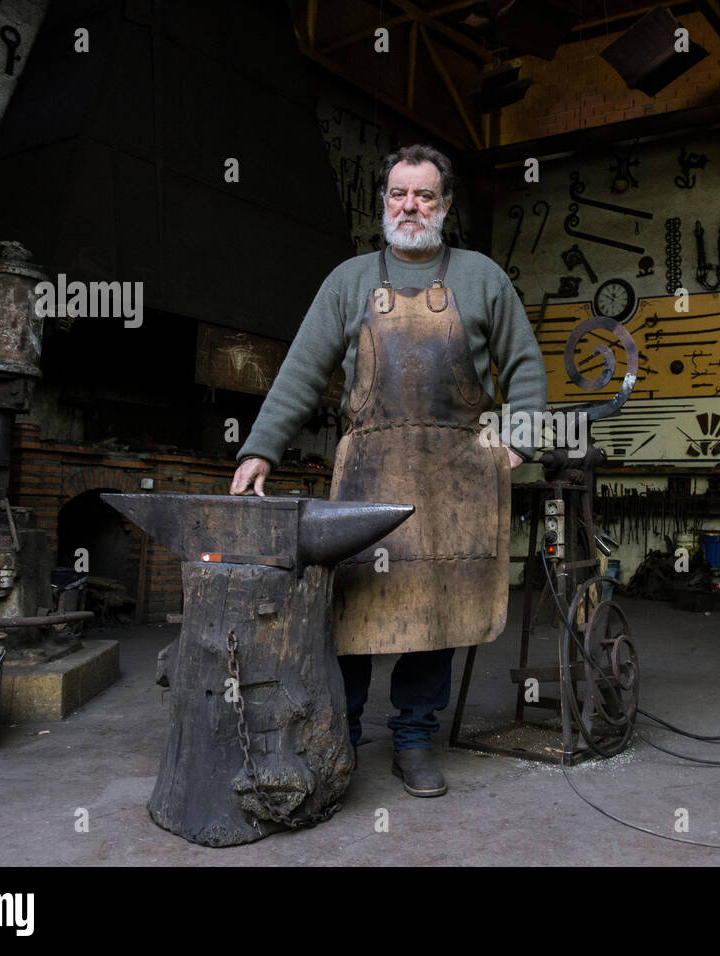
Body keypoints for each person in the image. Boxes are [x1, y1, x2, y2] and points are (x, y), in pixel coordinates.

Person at [230, 144, 547, 797]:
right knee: (352, 608)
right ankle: (338, 737)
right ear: (384, 202)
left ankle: (413, 739)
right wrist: (260, 447)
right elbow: (301, 372)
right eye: (399, 194)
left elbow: (526, 368)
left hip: (455, 478)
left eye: (425, 196)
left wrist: (517, 440)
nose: (411, 206)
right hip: (369, 470)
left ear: (445, 207)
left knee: (437, 610)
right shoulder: (347, 282)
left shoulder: (483, 278)